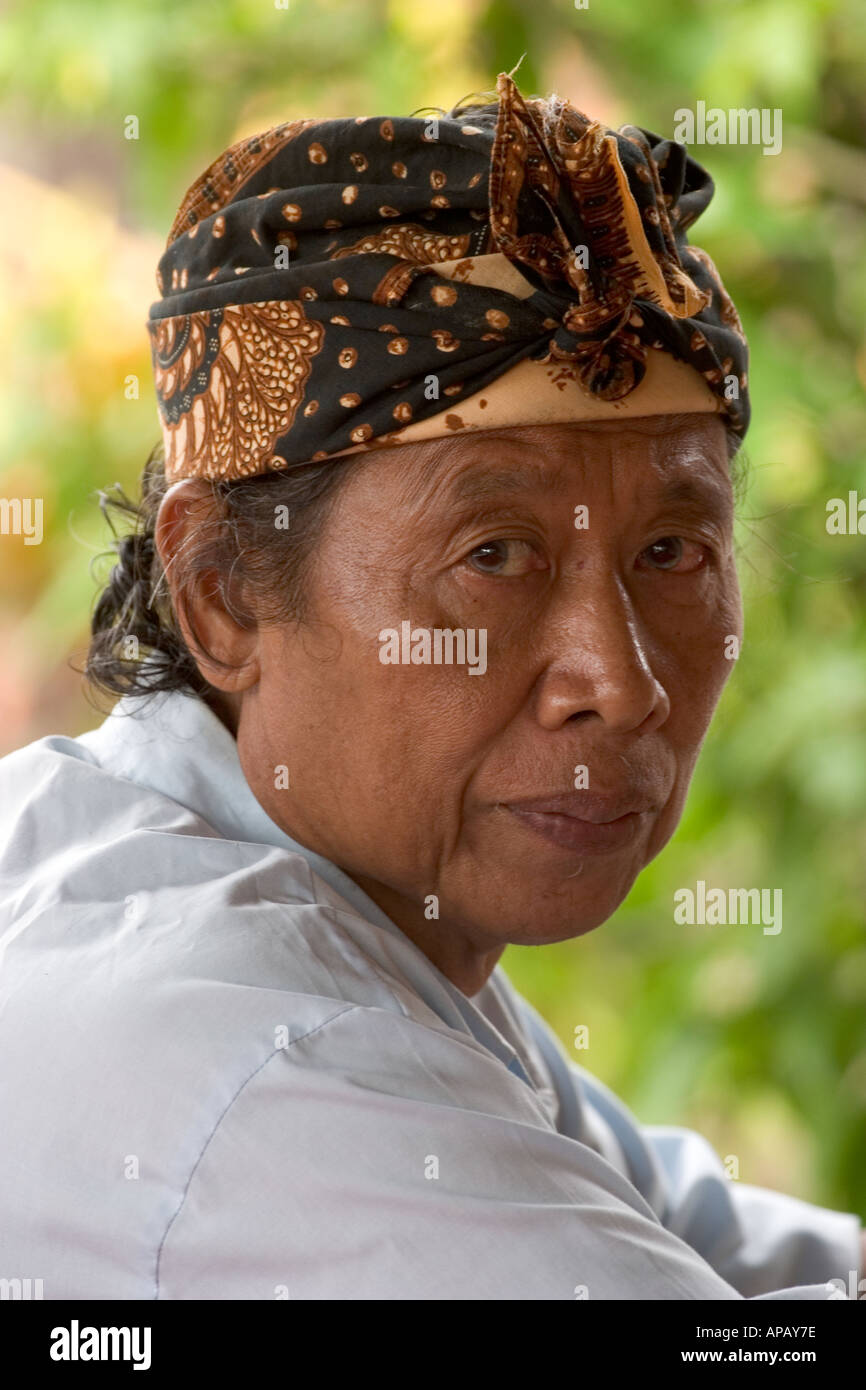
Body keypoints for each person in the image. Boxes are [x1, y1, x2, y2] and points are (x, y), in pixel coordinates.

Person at [0, 69, 861, 1301]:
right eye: (492, 556)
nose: (618, 685)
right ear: (223, 593)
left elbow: (686, 1231)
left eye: (670, 552)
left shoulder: (328, 911)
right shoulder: (263, 1057)